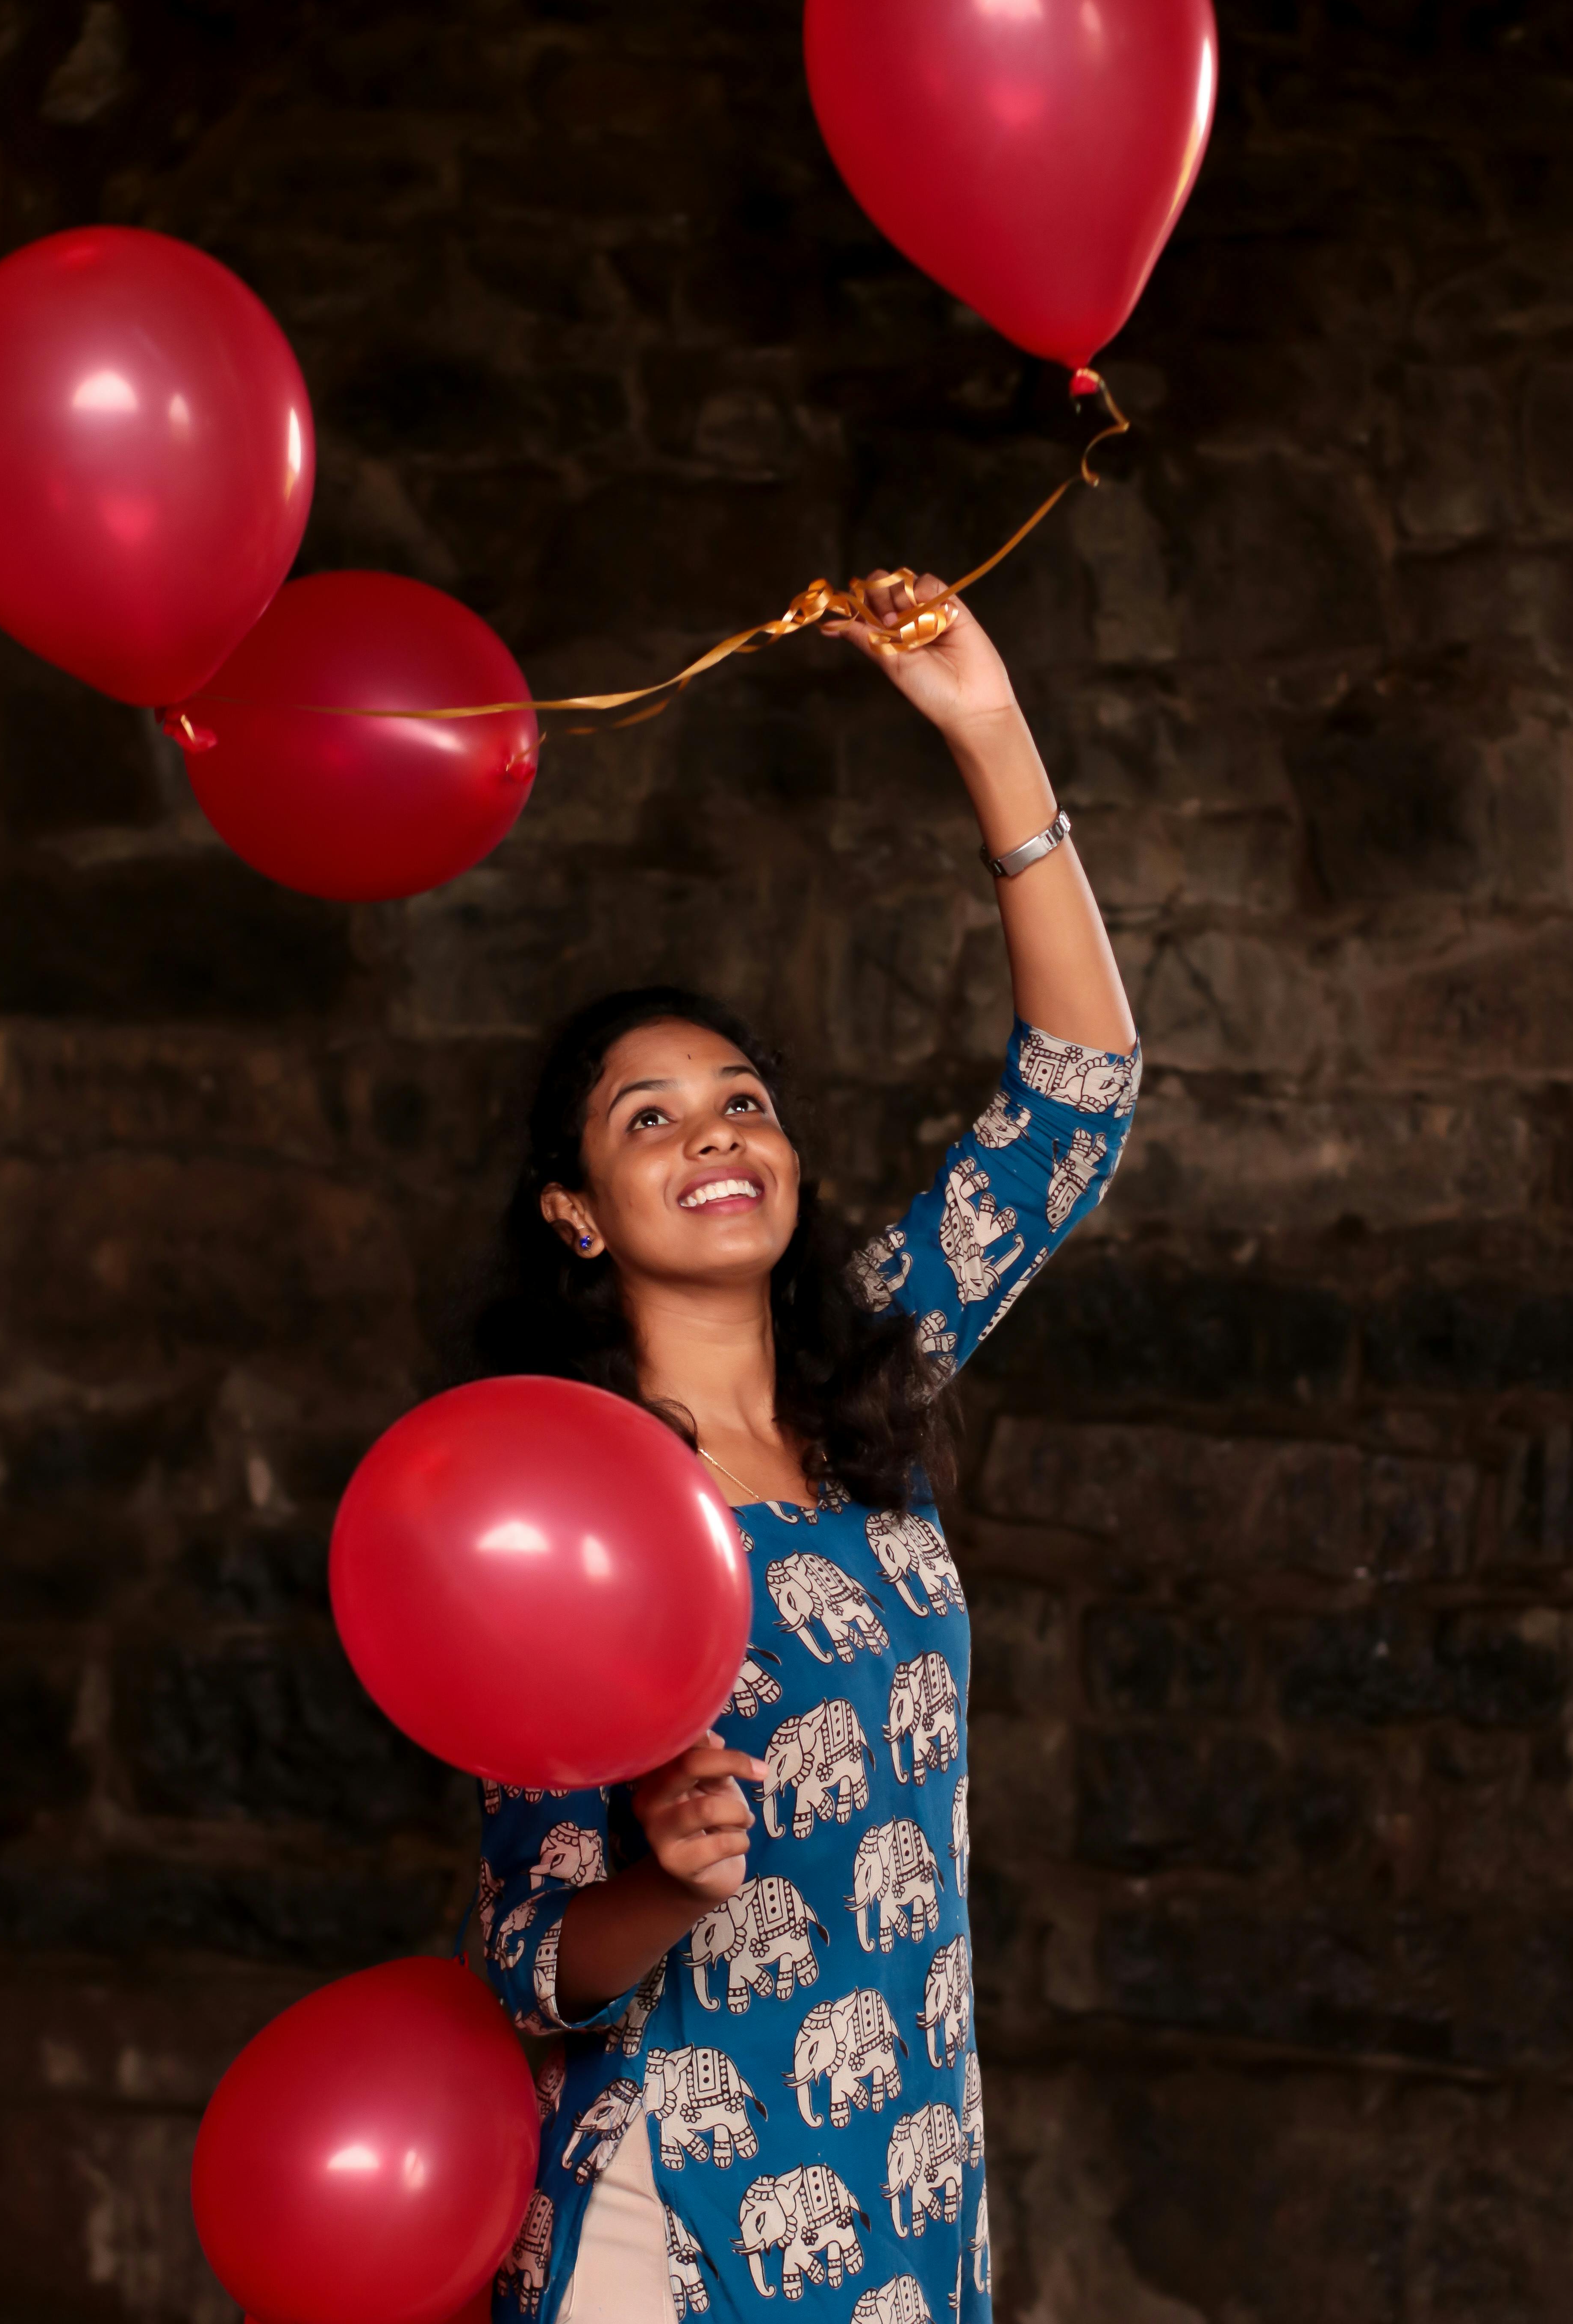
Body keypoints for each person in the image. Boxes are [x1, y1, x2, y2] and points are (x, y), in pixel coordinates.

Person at [476, 571, 1139, 2323]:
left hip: (907, 2184)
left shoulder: (871, 1380)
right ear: (574, 1211)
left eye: (744, 1102)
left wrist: (984, 730)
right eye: (650, 1119)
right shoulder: (562, 1504)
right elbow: (537, 1954)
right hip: (676, 2211)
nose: (716, 1135)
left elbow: (1077, 1092)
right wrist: (670, 1881)